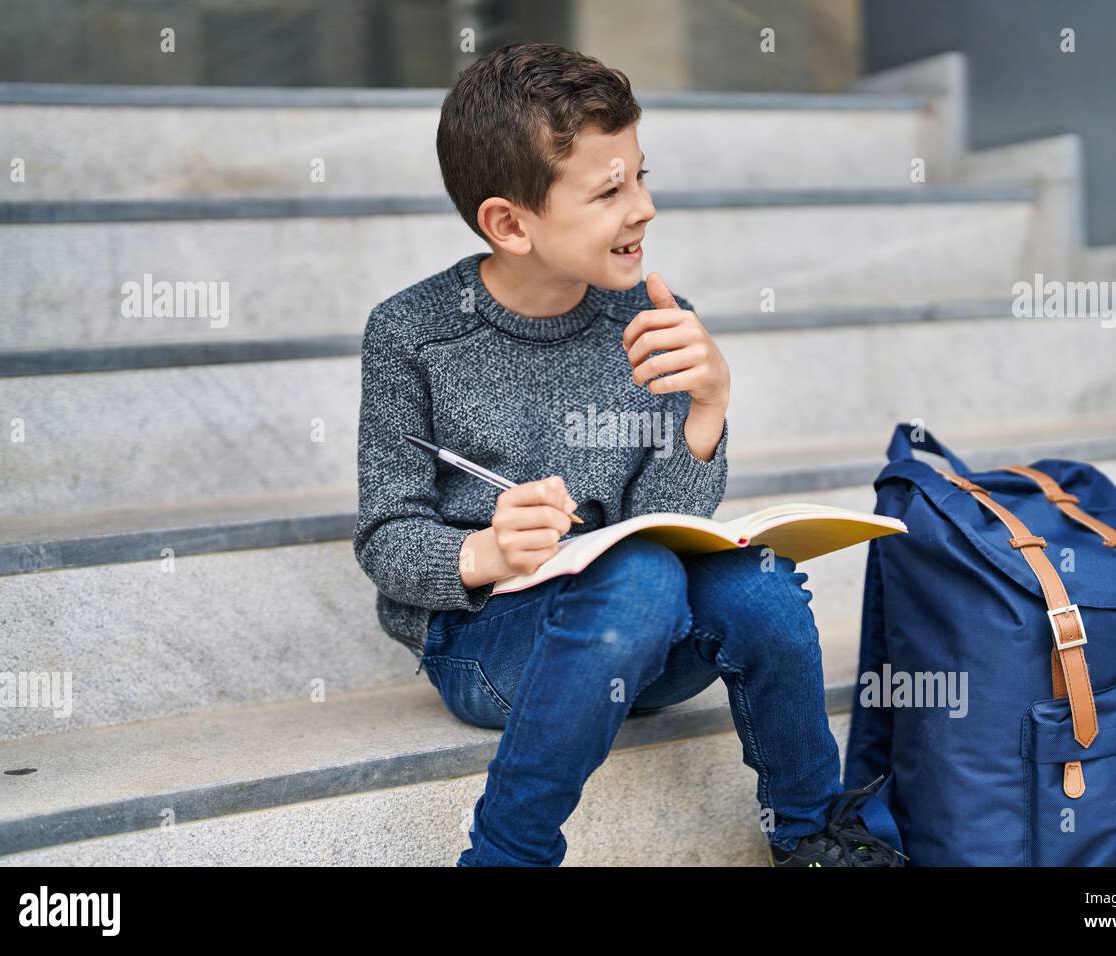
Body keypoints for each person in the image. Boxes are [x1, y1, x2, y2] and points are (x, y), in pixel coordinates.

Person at [352, 42, 902, 868]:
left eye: (641, 176)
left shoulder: (651, 317)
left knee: (754, 585)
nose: (642, 208)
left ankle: (815, 832)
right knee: (640, 581)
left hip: (641, 635)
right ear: (509, 222)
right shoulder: (412, 335)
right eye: (609, 191)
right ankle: (506, 854)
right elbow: (385, 538)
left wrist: (708, 413)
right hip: (487, 645)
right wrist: (487, 550)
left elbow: (665, 527)